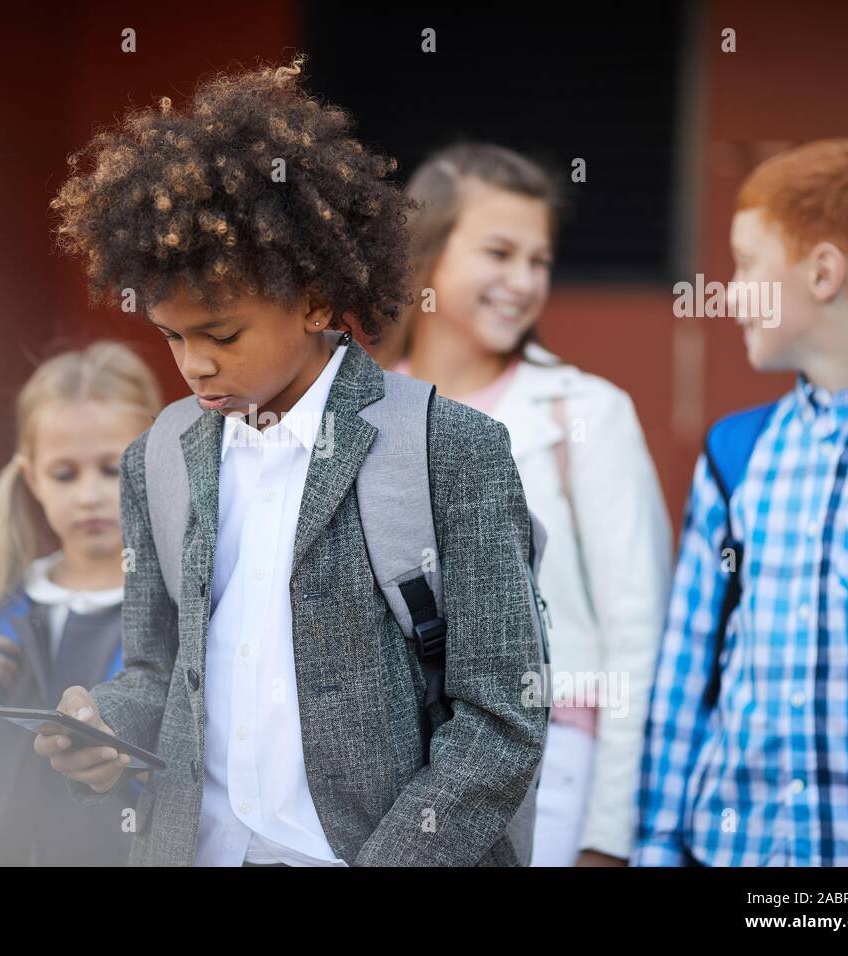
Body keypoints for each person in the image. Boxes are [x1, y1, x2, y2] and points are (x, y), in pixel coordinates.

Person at [32, 58, 546, 866]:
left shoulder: (452, 451)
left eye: (222, 335)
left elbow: (502, 721)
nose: (192, 365)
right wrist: (104, 726)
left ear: (313, 299)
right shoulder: (158, 459)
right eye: (172, 337)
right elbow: (160, 673)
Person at [634, 138, 848, 866]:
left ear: (823, 272)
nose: (729, 293)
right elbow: (687, 669)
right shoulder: (737, 455)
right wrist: (656, 845)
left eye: (746, 266)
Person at [382, 143, 672, 866]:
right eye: (499, 252)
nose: (522, 281)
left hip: (552, 778)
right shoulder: (365, 412)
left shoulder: (588, 412)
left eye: (538, 261)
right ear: (426, 256)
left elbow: (639, 638)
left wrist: (607, 837)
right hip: (391, 785)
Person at [0, 342, 161, 865]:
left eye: (112, 469)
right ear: (31, 477)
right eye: (64, 474)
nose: (89, 495)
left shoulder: (175, 610)